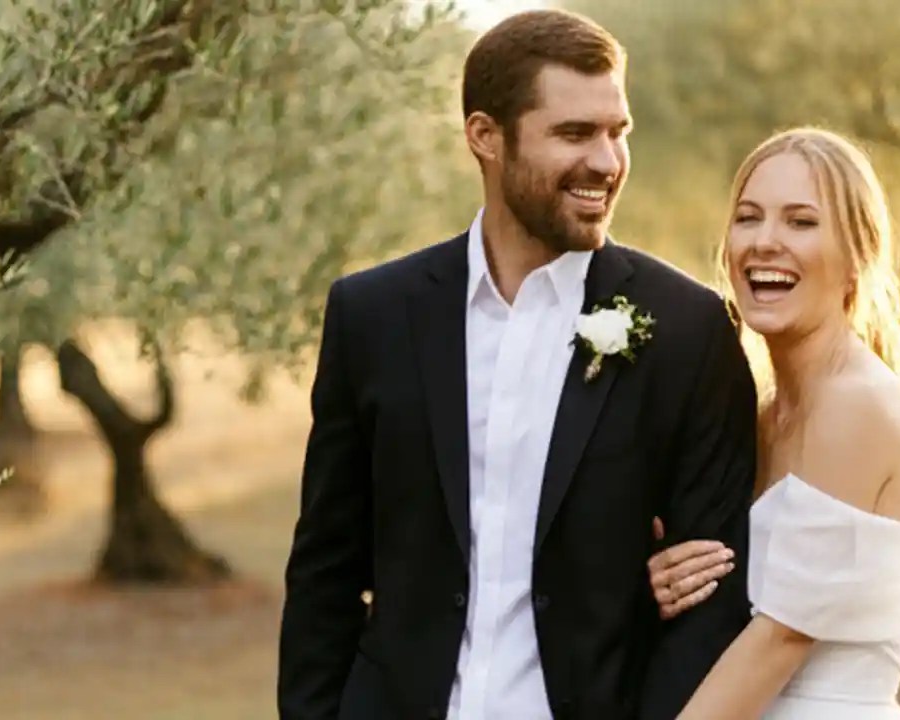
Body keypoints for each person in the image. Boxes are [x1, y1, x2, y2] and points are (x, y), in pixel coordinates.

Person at [277, 9, 758, 720]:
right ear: (485, 136)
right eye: (573, 134)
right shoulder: (373, 316)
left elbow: (711, 599)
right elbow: (325, 569)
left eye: (617, 132)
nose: (606, 161)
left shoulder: (690, 331)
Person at [647, 128, 900, 719]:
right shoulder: (764, 413)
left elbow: (780, 639)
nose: (766, 242)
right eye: (749, 218)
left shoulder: (856, 406)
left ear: (859, 255)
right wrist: (666, 576)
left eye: (801, 222)